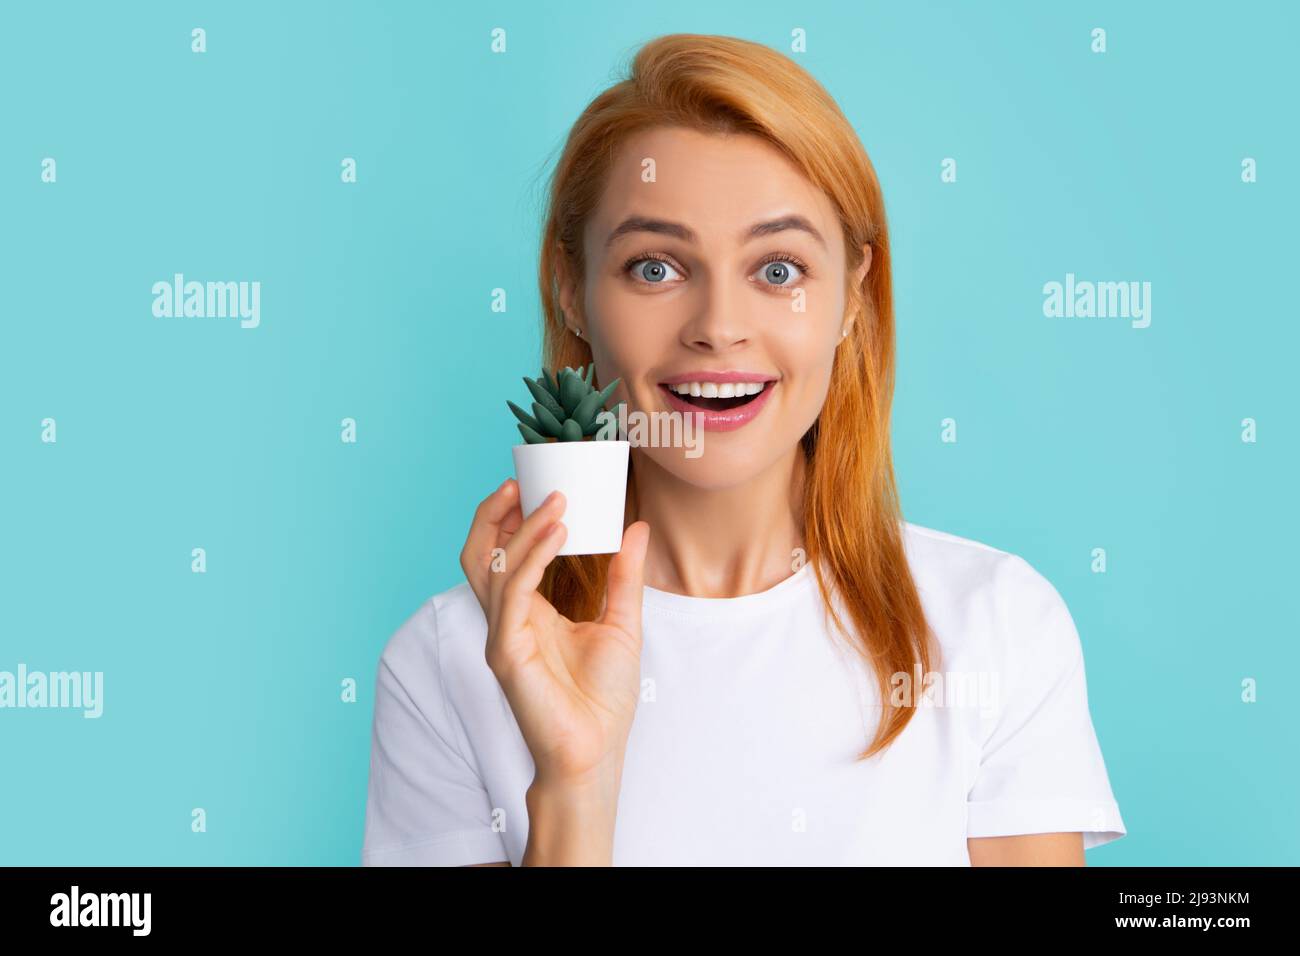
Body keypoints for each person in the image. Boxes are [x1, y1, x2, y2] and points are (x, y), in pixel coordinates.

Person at [361, 33, 1125, 866]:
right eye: (655, 268)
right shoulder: (447, 665)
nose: (718, 326)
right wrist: (575, 787)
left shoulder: (997, 628)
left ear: (851, 300)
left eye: (778, 270)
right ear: (567, 290)